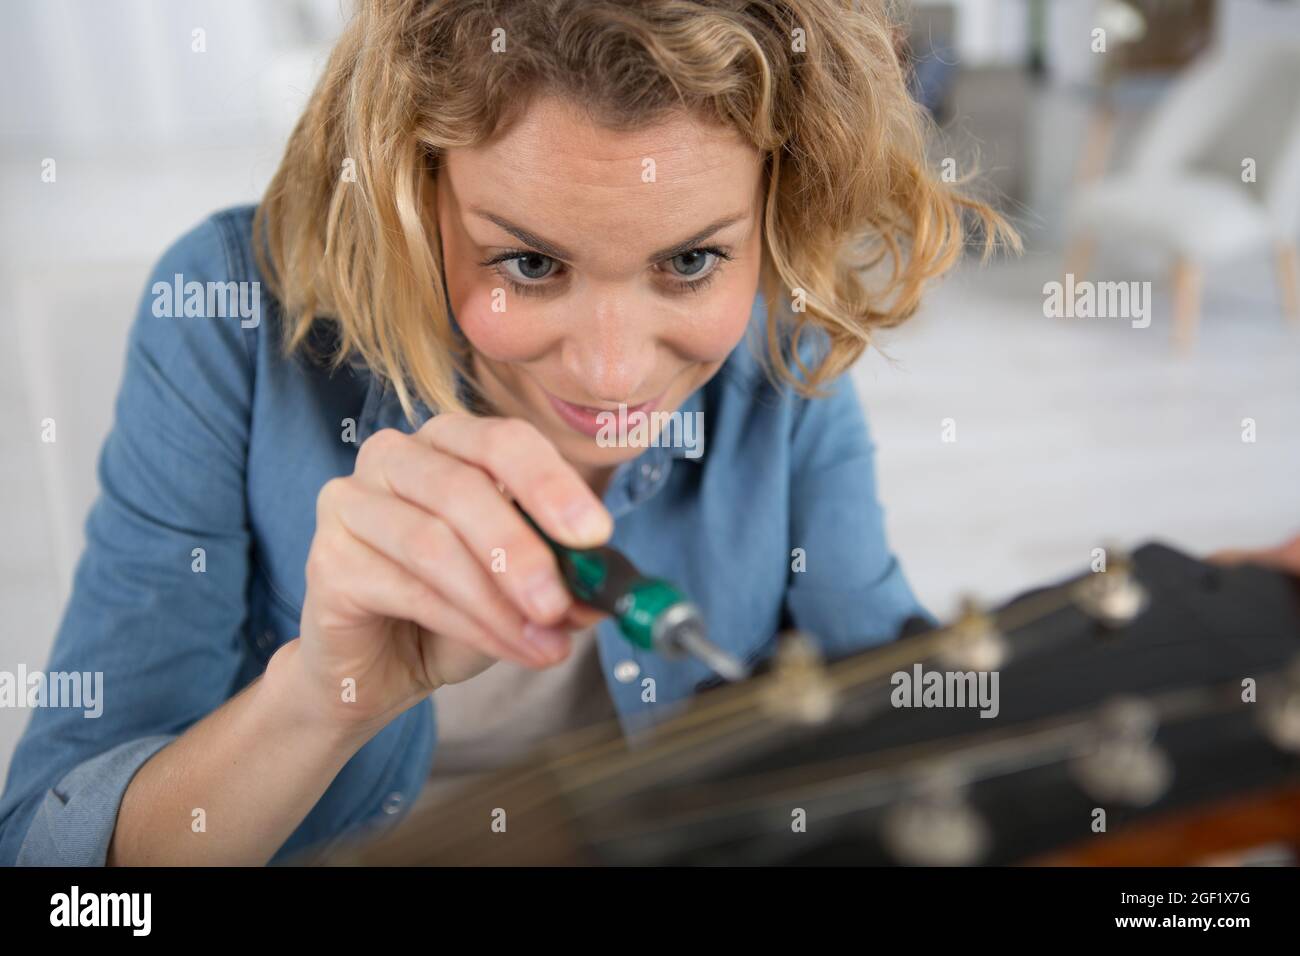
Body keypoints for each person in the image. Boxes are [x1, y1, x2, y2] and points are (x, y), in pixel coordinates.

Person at [3, 0, 1020, 865]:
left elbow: (887, 670)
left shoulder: (778, 338)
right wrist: (321, 698)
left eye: (692, 262)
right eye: (530, 264)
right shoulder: (221, 313)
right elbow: (51, 867)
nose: (615, 375)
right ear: (412, 187)